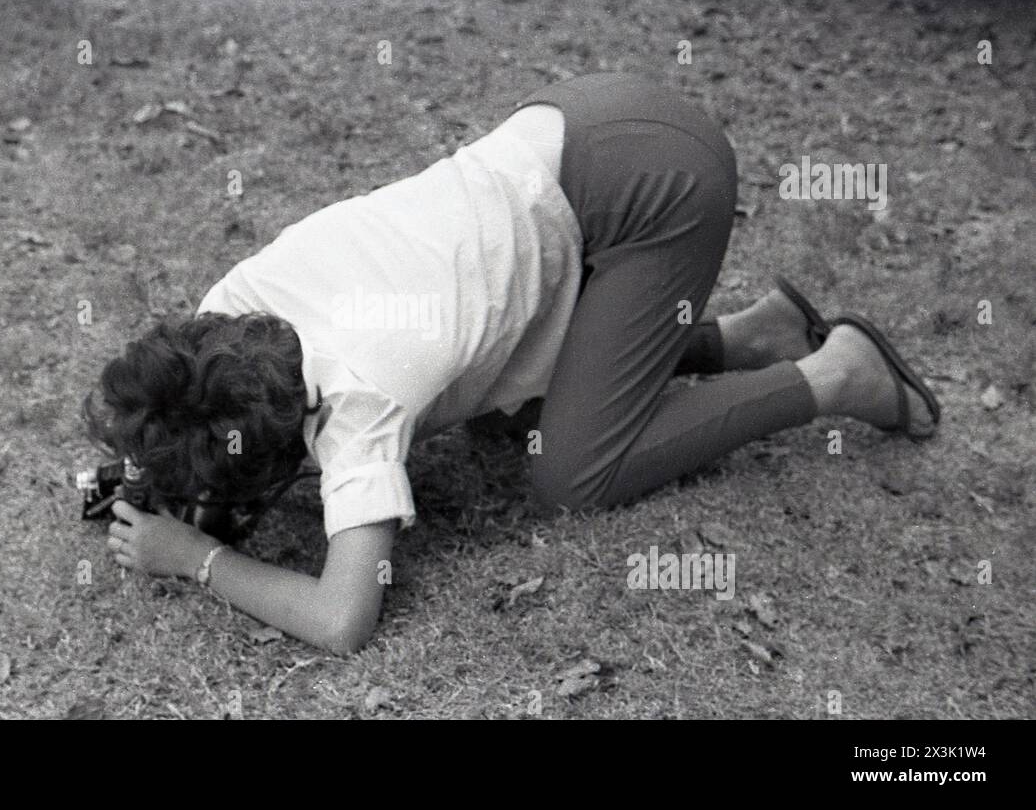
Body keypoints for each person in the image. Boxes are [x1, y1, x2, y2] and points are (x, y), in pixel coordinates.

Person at [86, 73, 940, 654]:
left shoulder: (363, 402)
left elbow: (343, 617)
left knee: (570, 468)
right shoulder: (231, 308)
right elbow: (188, 403)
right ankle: (750, 336)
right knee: (513, 413)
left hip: (659, 184)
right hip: (581, 123)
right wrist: (146, 466)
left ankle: (835, 375)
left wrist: (195, 558)